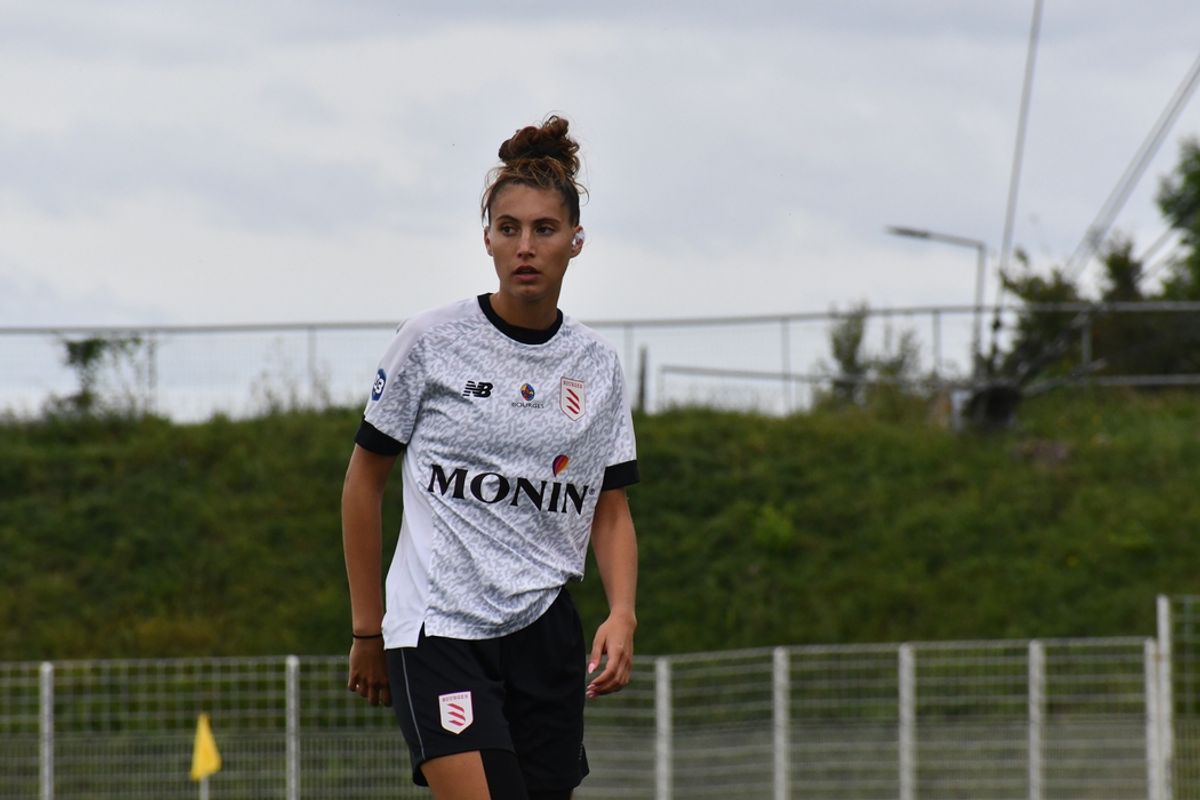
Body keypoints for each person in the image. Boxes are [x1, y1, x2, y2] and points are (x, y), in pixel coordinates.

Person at [341, 114, 640, 800]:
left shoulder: (597, 366)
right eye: (509, 229)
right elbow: (364, 482)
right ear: (487, 239)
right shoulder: (431, 342)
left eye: (543, 229)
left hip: (545, 636)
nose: (525, 246)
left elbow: (611, 508)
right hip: (439, 628)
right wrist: (370, 629)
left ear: (575, 241)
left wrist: (621, 610)